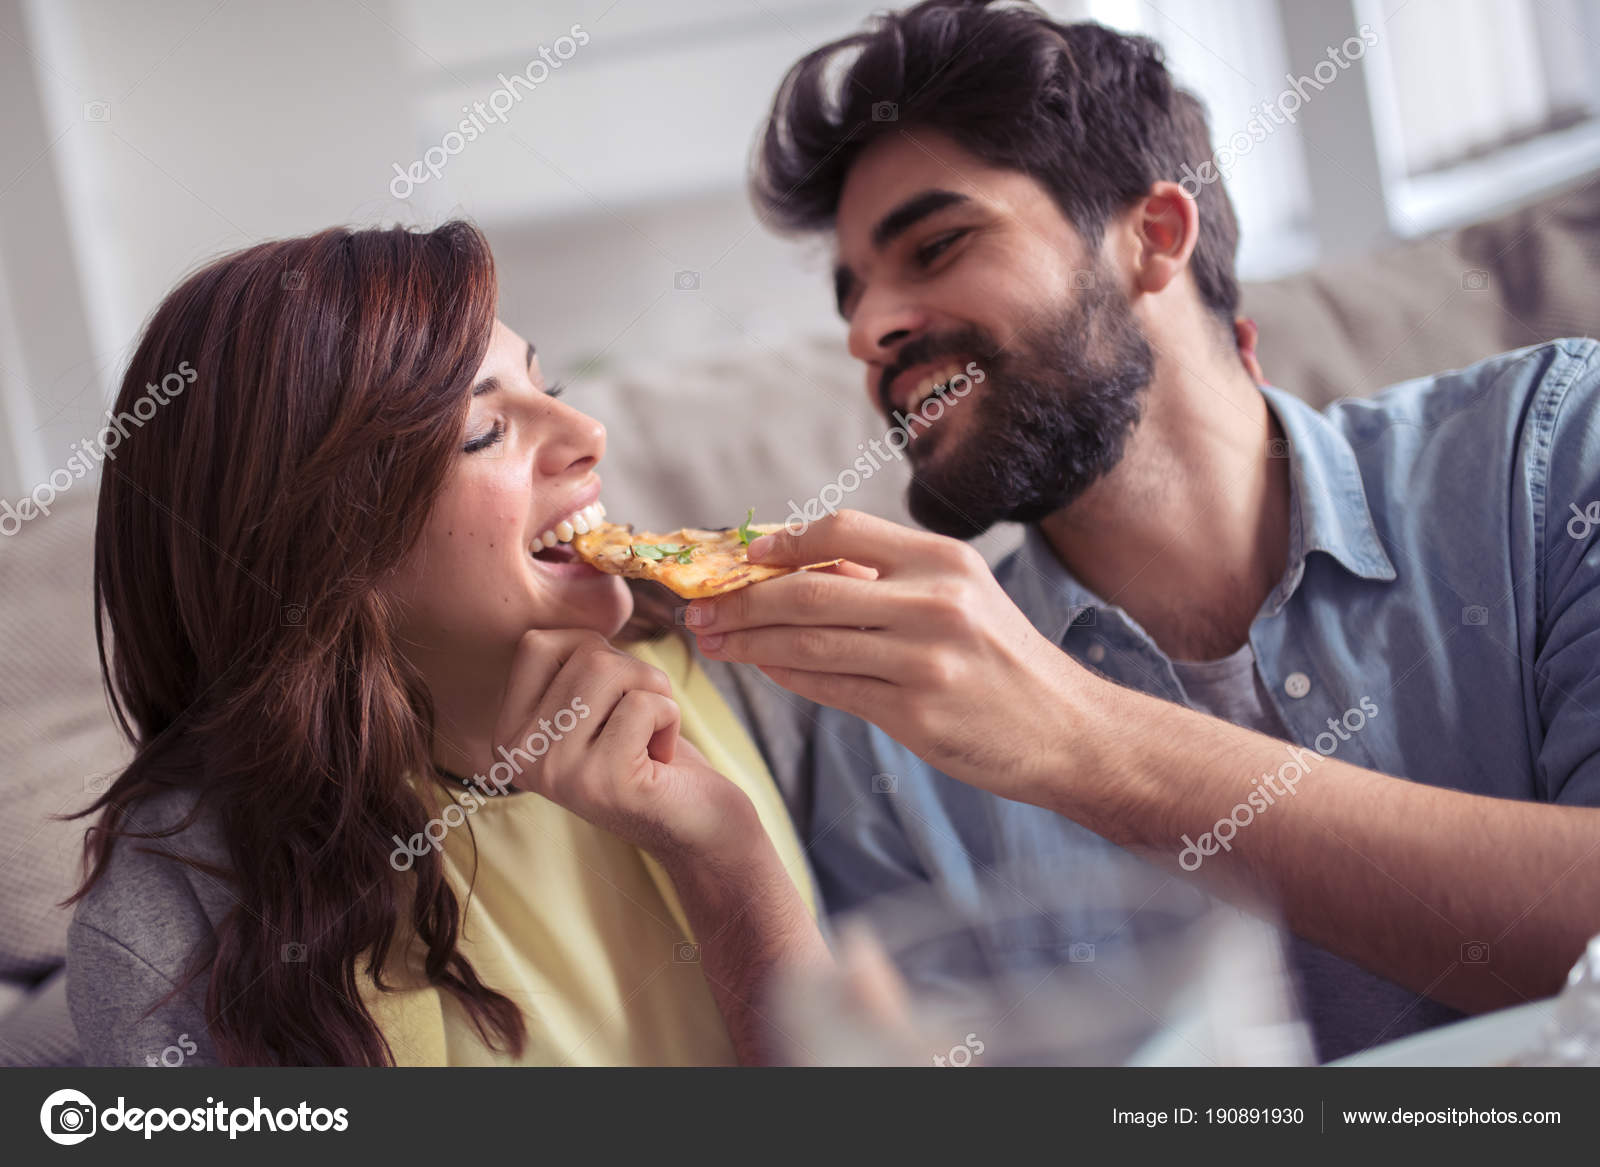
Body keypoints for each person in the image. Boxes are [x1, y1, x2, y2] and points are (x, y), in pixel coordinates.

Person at [686, 0, 1600, 1062]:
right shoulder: (884, 724)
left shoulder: (1545, 456)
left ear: (1154, 238)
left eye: (936, 245)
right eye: (850, 298)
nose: (864, 332)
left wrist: (1080, 739)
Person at [66, 221, 826, 1067]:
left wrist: (725, 856)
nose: (587, 435)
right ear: (320, 550)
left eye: (553, 385)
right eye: (483, 430)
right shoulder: (177, 919)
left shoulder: (743, 669)